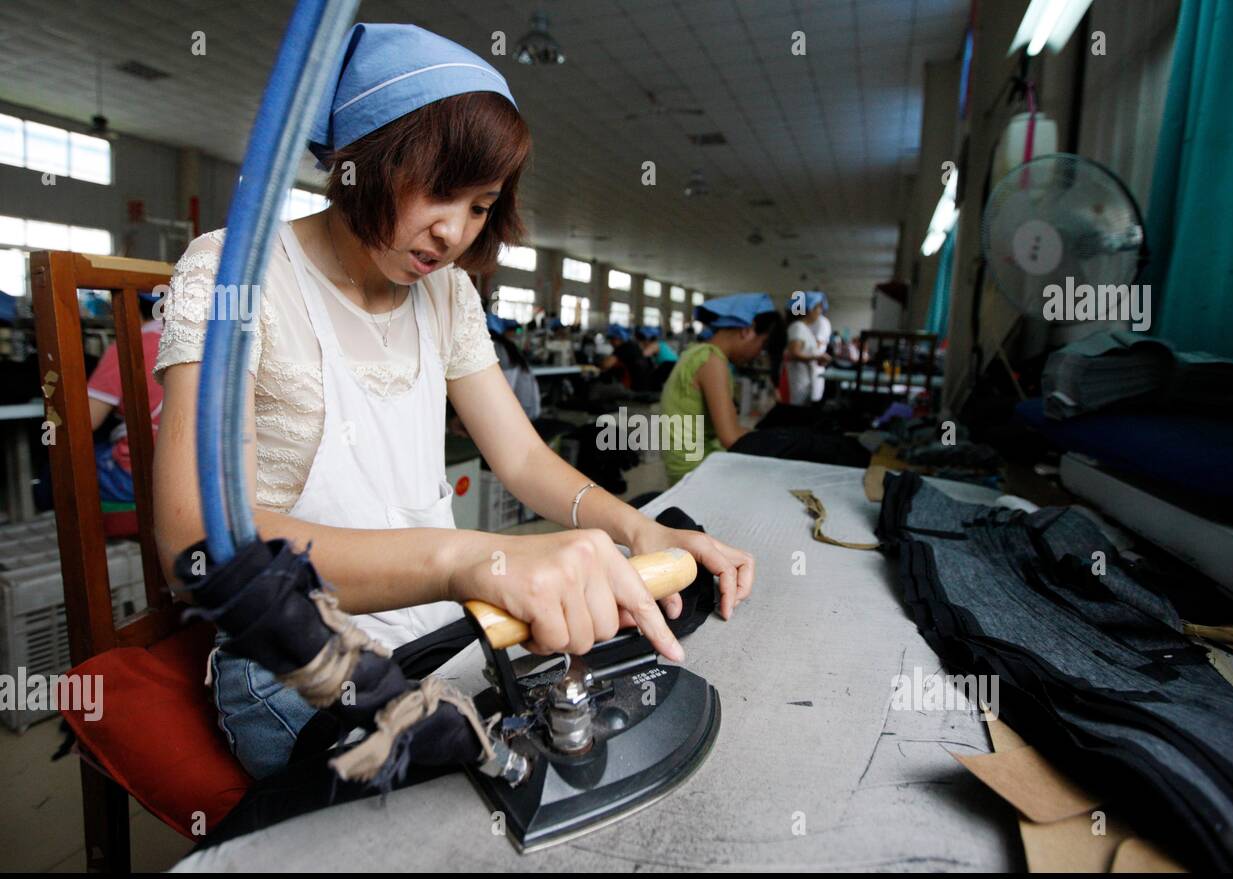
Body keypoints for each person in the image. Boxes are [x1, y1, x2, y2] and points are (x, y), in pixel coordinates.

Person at [151, 24, 753, 779]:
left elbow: (524, 459)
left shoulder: (445, 295)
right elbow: (194, 541)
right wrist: (473, 560)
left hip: (438, 632)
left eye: (480, 206)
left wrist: (640, 530)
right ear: (358, 161)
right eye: (440, 191)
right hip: (300, 659)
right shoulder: (235, 272)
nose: (454, 231)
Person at [659, 293, 779, 485]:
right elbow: (730, 437)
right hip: (695, 472)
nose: (759, 352)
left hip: (687, 466)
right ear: (747, 331)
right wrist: (782, 441)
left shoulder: (696, 352)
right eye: (762, 343)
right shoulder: (712, 361)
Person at [86, 294, 164, 502]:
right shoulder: (208, 340)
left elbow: (87, 420)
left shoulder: (129, 347)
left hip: (144, 474)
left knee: (63, 466)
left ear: (133, 304)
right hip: (211, 469)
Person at [783, 291, 831, 406]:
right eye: (818, 308)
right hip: (799, 382)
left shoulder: (804, 328)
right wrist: (817, 357)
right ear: (809, 310)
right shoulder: (797, 327)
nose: (820, 312)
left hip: (806, 382)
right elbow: (793, 353)